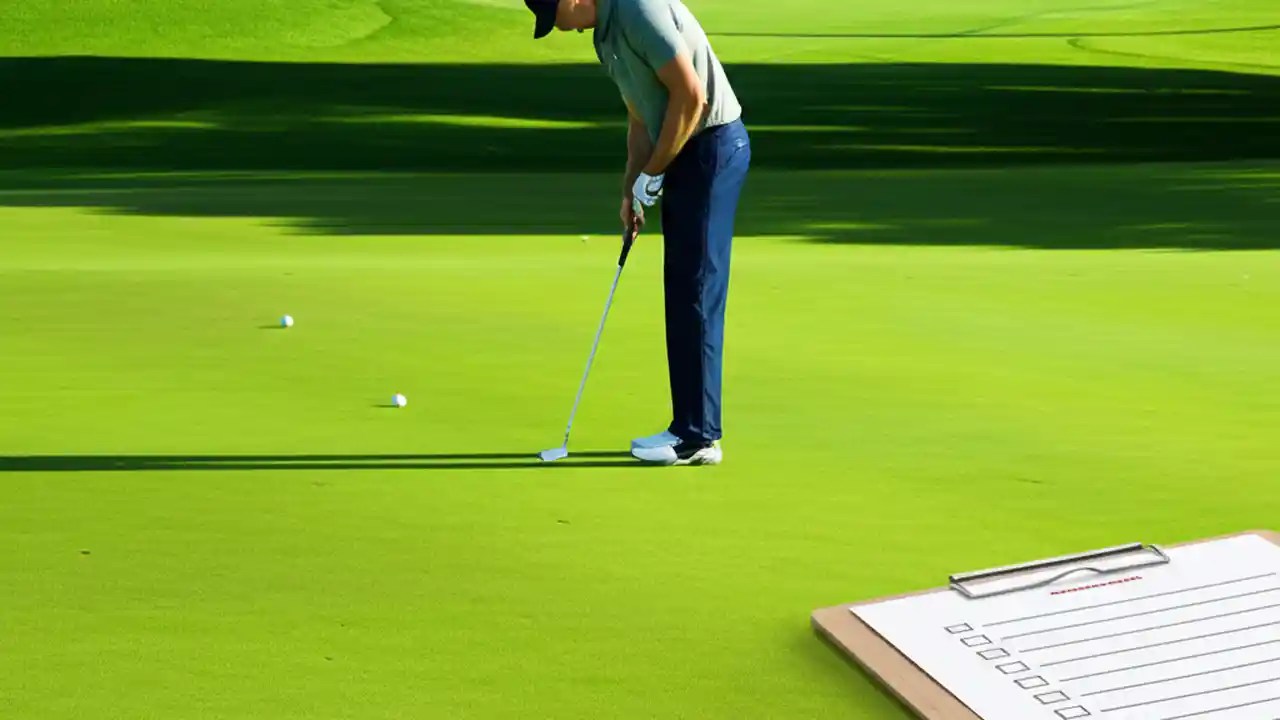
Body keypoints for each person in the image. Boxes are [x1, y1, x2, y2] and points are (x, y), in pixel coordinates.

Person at [525, 0, 751, 467]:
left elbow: (691, 96)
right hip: (682, 146)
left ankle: (698, 436)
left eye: (555, 16)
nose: (559, 28)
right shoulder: (603, 37)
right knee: (682, 286)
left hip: (712, 146)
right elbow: (640, 114)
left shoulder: (636, 11)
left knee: (696, 287)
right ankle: (691, 427)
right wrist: (632, 188)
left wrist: (655, 172)